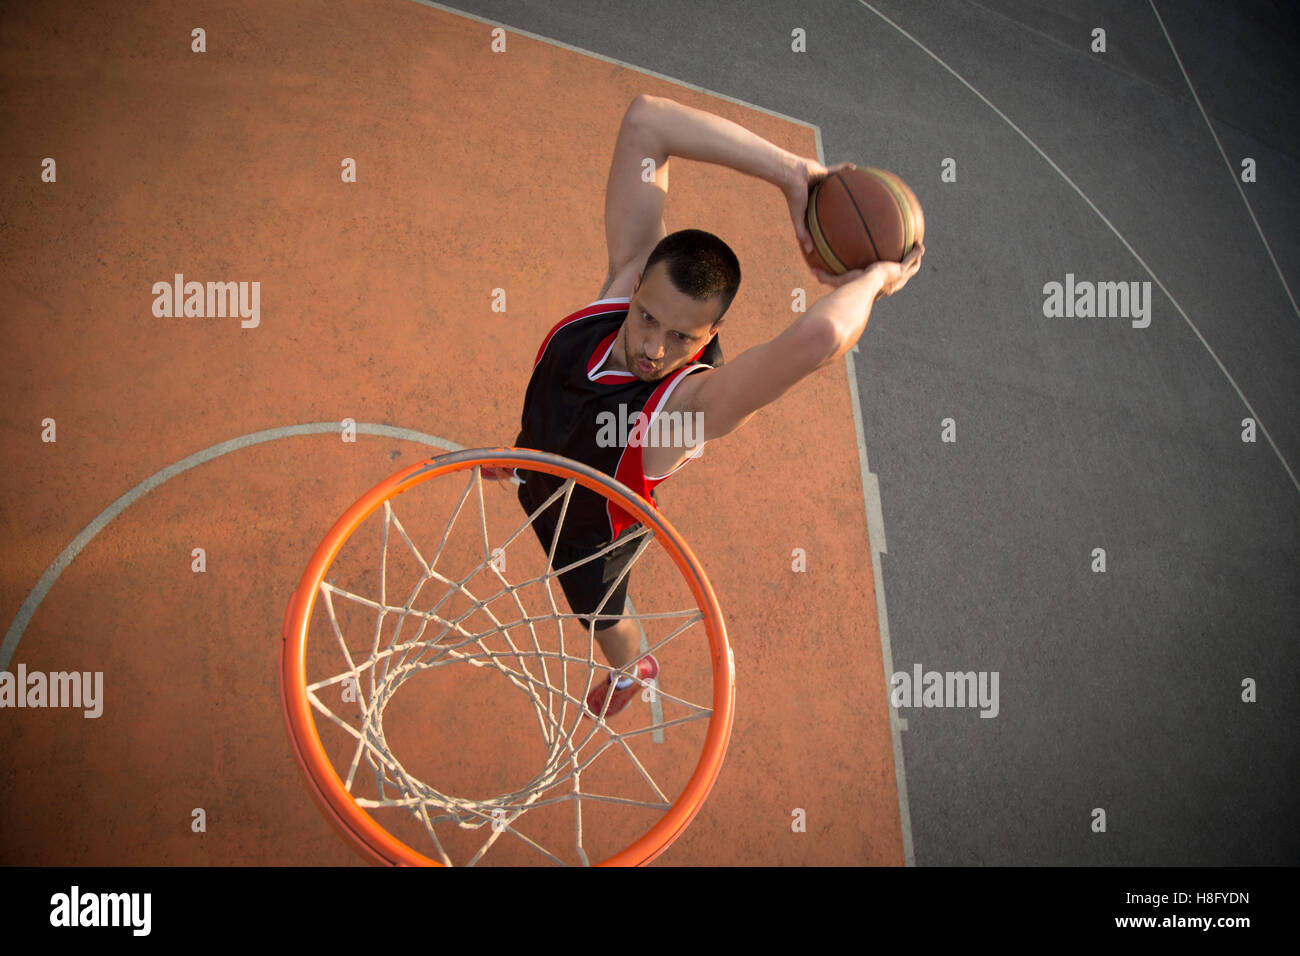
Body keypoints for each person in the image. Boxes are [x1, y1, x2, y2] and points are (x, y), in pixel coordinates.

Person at [494, 94, 924, 719]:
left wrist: (871, 280)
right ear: (637, 283)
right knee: (546, 437)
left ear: (713, 332)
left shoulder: (682, 412)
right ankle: (527, 459)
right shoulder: (624, 282)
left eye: (682, 338)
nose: (652, 346)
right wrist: (790, 172)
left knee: (599, 615)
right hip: (543, 464)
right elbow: (646, 120)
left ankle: (634, 668)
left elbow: (820, 339)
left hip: (589, 532)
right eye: (647, 317)